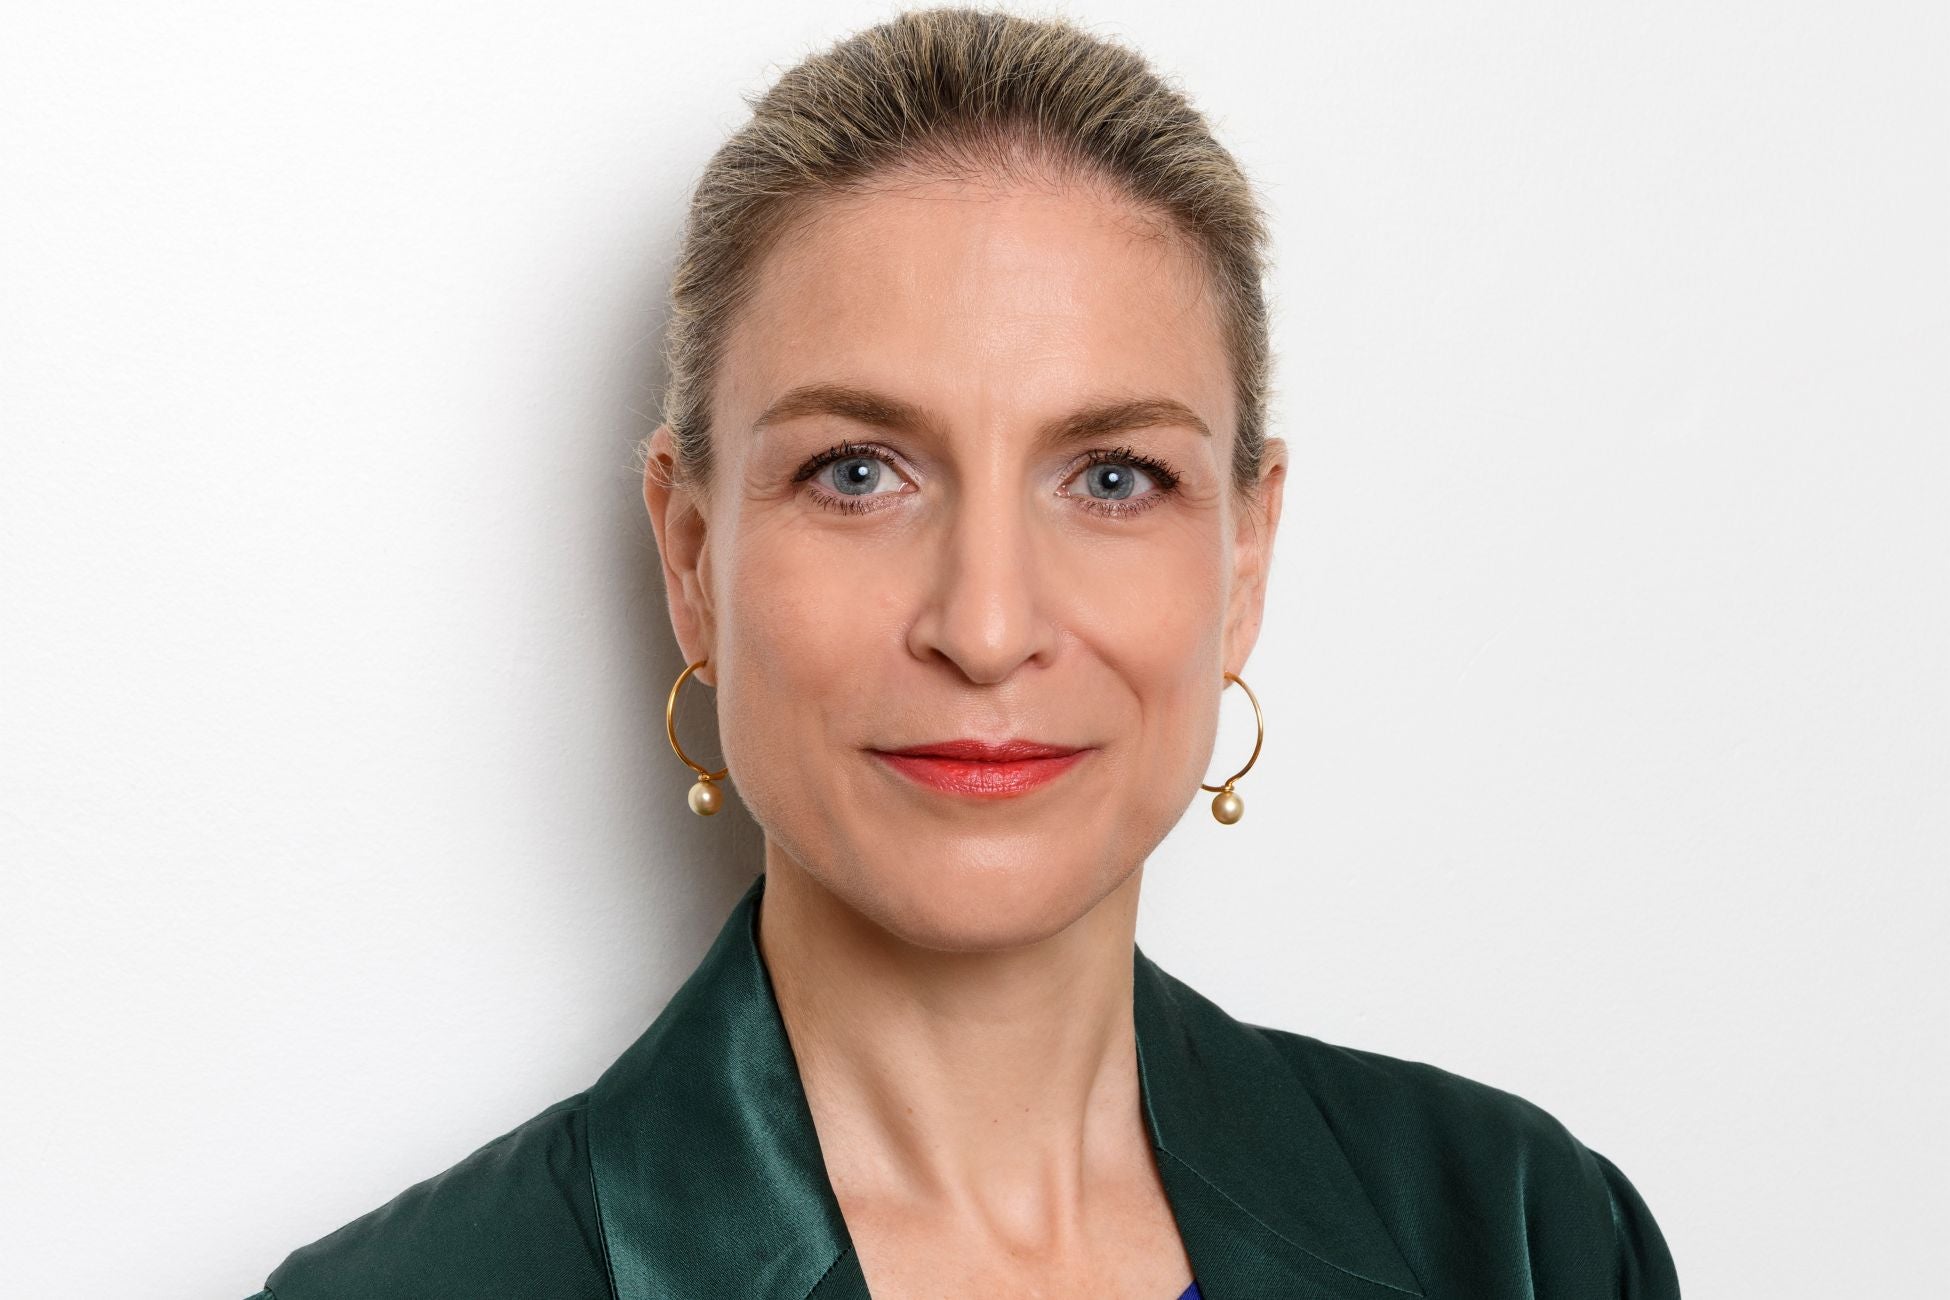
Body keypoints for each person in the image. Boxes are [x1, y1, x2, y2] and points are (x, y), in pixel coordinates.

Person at [244, 8, 1679, 1298]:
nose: (986, 630)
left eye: (1112, 477)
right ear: (691, 558)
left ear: (1243, 558)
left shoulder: (1523, 1235)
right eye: (858, 473)